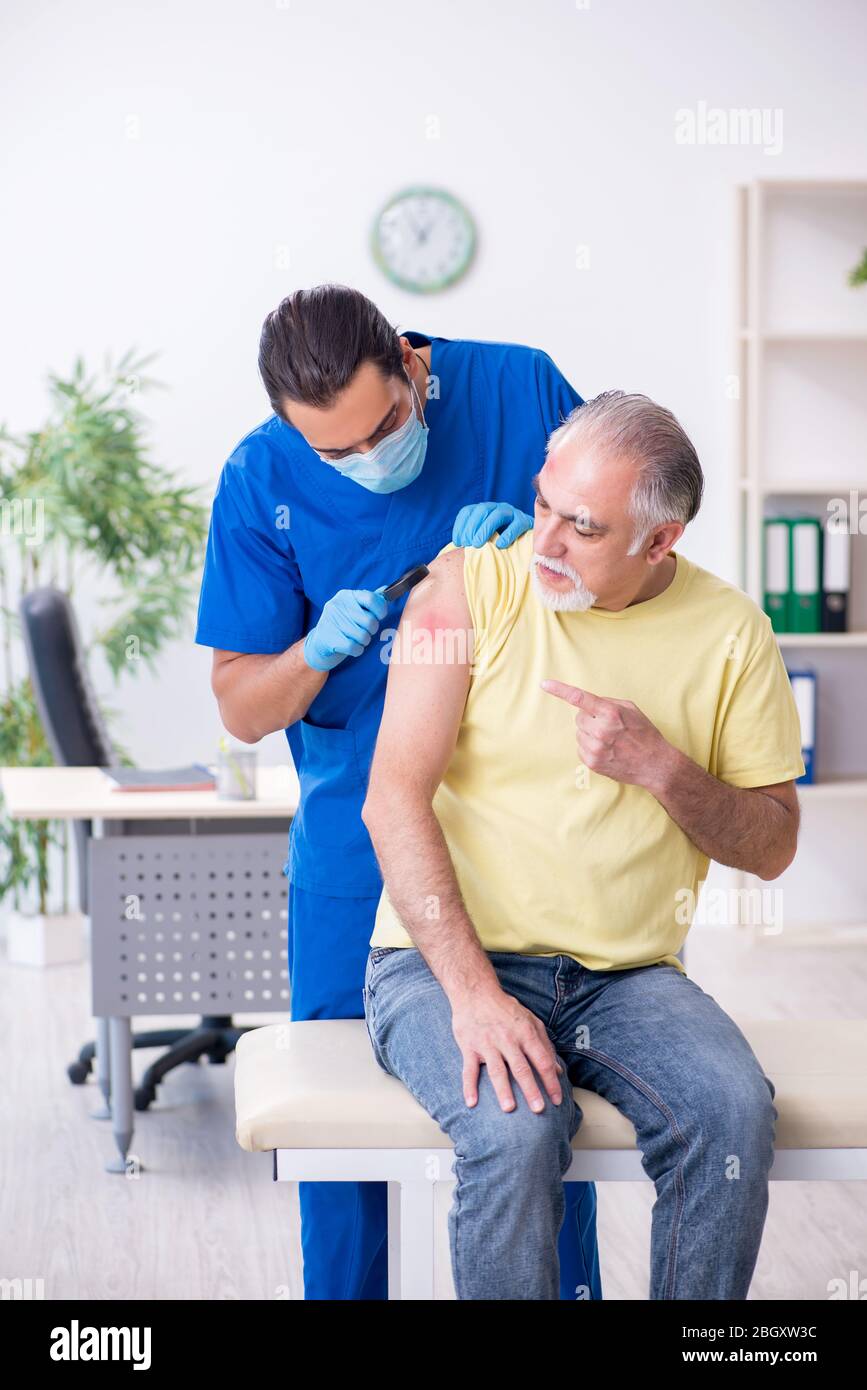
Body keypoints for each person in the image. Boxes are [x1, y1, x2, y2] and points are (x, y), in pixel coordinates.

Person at [194, 284, 601, 1300]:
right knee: (341, 1138)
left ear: (414, 366)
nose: (369, 461)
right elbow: (244, 706)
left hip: (527, 832)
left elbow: (640, 575)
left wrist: (554, 564)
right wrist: (311, 655)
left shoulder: (523, 389)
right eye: (334, 455)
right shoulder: (259, 476)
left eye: (383, 426)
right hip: (356, 850)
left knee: (539, 1112)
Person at [361, 390, 804, 1299]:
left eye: (583, 528)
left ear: (659, 541)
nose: (545, 544)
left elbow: (772, 847)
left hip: (628, 977)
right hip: (442, 962)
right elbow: (391, 802)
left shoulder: (733, 633)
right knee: (516, 1131)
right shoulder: (465, 588)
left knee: (729, 1116)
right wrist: (476, 998)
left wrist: (663, 770)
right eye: (543, 507)